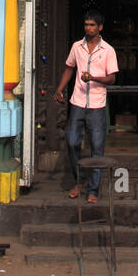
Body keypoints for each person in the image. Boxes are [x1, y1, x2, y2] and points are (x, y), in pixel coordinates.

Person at [55, 11, 118, 204]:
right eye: (86, 25)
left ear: (100, 27)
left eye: (92, 25)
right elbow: (69, 68)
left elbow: (112, 78)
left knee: (97, 148)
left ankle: (93, 189)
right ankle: (80, 179)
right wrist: (60, 89)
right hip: (78, 102)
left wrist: (94, 78)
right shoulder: (76, 47)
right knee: (72, 141)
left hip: (97, 105)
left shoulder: (108, 50)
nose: (88, 28)